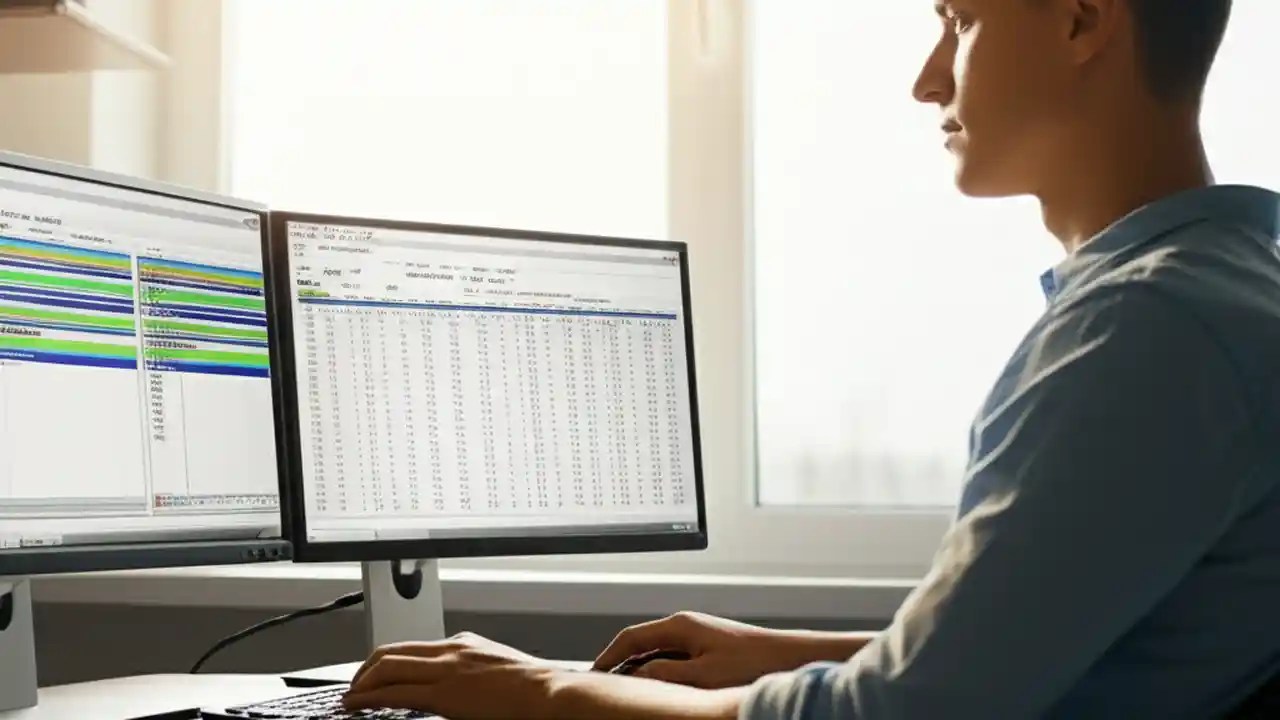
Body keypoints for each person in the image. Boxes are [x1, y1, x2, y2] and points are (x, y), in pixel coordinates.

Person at [342, 0, 1280, 717]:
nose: (928, 78)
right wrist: (774, 650)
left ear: (1080, 19)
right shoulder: (1228, 285)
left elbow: (894, 715)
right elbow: (1079, 642)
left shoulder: (1140, 327)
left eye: (959, 19)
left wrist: (538, 693)